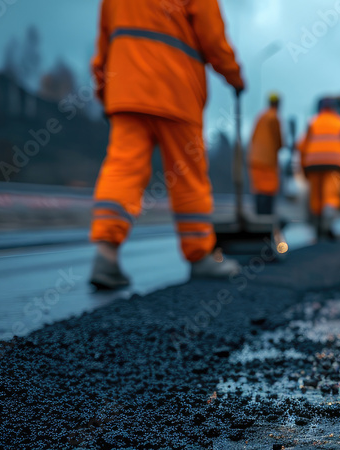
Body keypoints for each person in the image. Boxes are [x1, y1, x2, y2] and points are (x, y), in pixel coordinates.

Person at [88, 0, 246, 290]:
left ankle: (106, 254)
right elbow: (213, 38)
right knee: (187, 175)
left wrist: (104, 90)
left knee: (122, 168)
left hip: (127, 90)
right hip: (176, 91)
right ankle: (200, 257)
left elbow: (104, 43)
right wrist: (234, 76)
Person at [297, 99, 340, 241]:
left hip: (313, 163)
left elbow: (302, 146)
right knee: (331, 195)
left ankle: (317, 227)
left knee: (316, 196)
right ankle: (327, 225)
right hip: (334, 164)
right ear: (334, 109)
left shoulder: (312, 122)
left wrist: (303, 166)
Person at [248, 92, 285, 216]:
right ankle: (266, 217)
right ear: (278, 104)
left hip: (254, 158)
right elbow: (278, 140)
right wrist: (281, 146)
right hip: (267, 160)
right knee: (269, 188)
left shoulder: (261, 117)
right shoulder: (274, 117)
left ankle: (259, 215)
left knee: (259, 188)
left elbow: (253, 136)